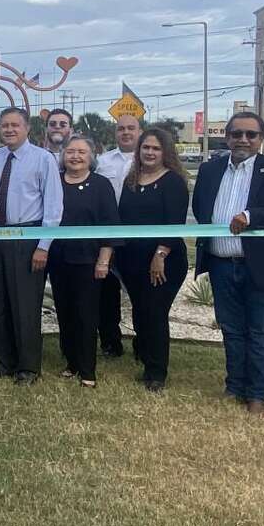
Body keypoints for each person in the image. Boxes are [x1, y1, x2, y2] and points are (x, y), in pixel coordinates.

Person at [191, 111, 264, 415]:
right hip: (221, 264)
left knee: (259, 330)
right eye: (237, 133)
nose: (243, 139)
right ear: (226, 137)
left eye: (251, 134)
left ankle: (257, 394)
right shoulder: (210, 170)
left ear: (261, 139)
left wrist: (252, 217)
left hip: (260, 266)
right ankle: (235, 385)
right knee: (231, 329)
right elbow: (201, 208)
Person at [0, 107, 63, 385]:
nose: (9, 129)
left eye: (15, 125)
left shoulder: (43, 160)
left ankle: (28, 367)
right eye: (4, 125)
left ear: (27, 128)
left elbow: (54, 206)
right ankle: (5, 360)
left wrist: (44, 245)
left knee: (25, 305)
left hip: (28, 238)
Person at [117, 128, 189, 392]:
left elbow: (174, 223)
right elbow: (122, 218)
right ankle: (147, 362)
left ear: (165, 152)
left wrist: (160, 255)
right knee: (140, 312)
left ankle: (157, 374)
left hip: (164, 261)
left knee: (155, 313)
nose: (149, 152)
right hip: (131, 261)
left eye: (155, 148)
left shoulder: (173, 182)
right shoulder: (132, 179)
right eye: (145, 147)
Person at [49, 135, 119, 387]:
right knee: (65, 313)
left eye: (81, 151)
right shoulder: (54, 182)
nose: (75, 156)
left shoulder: (101, 185)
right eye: (70, 151)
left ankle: (88, 371)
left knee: (86, 315)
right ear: (63, 155)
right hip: (58, 260)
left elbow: (110, 225)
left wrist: (104, 259)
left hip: (89, 261)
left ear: (91, 157)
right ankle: (71, 363)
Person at [95, 113, 140, 358]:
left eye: (131, 128)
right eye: (121, 128)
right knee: (107, 294)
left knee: (140, 294)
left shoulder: (148, 160)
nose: (126, 132)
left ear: (139, 131)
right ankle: (111, 344)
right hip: (108, 234)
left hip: (136, 235)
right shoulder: (103, 162)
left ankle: (142, 344)